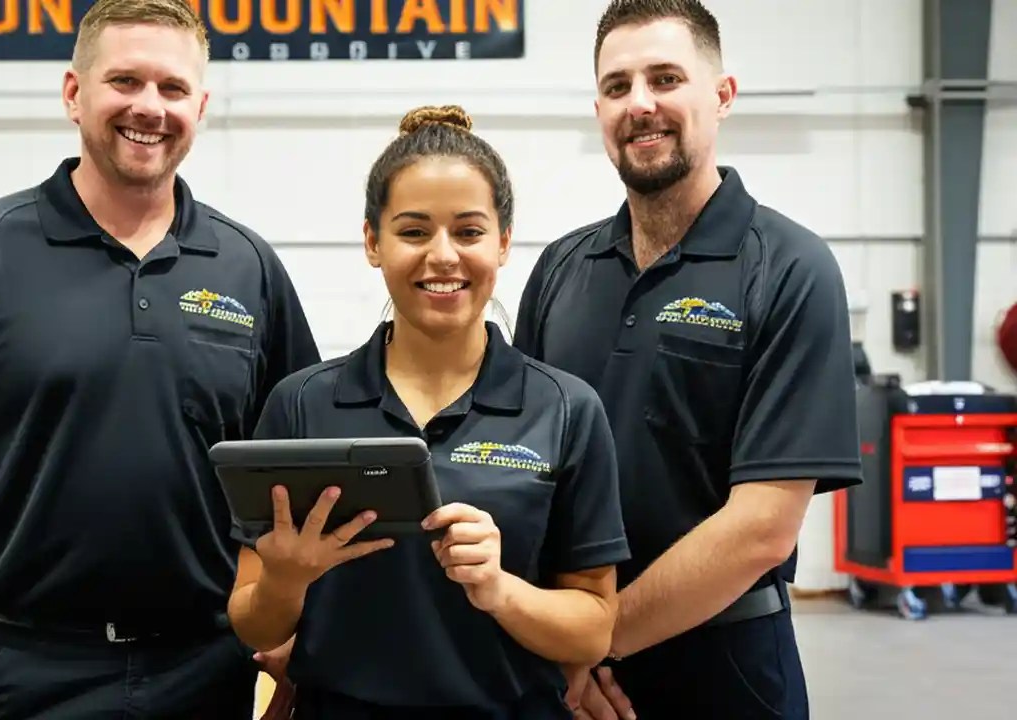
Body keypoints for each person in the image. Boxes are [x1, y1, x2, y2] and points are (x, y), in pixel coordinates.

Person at [0, 1, 319, 718]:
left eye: (172, 88)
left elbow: (295, 474)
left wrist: (293, 629)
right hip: (20, 671)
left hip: (205, 667)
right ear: (74, 93)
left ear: (202, 105)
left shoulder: (247, 267)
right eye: (124, 81)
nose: (148, 108)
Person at [512, 1, 863, 718]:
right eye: (617, 86)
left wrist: (596, 643)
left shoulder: (791, 268)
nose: (640, 104)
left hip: (724, 668)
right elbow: (521, 466)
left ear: (722, 95)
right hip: (569, 675)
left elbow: (763, 527)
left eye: (665, 78)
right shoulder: (560, 269)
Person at [226, 105, 631, 720]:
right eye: (413, 231)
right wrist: (286, 580)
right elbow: (253, 624)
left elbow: (593, 629)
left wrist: (500, 590)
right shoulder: (302, 403)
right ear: (372, 242)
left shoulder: (567, 408)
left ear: (502, 243)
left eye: (468, 232)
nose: (443, 256)